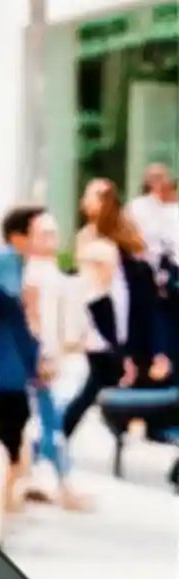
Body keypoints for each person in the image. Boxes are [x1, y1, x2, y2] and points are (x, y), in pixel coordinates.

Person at [63, 178, 172, 441]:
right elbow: (92, 290)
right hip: (102, 324)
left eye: (92, 196)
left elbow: (143, 296)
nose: (85, 202)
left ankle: (67, 432)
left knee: (105, 382)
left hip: (126, 321)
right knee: (99, 382)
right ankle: (62, 433)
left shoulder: (126, 241)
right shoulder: (87, 238)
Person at [21, 211, 92, 510]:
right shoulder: (33, 272)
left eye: (54, 233)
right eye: (44, 233)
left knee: (48, 422)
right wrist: (42, 354)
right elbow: (32, 316)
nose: (52, 239)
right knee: (49, 422)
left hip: (53, 354)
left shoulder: (48, 269)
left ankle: (45, 480)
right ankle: (60, 484)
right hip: (41, 358)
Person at [0, 207, 45, 515]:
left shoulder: (17, 263)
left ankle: (5, 500)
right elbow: (12, 303)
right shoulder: (7, 261)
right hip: (3, 367)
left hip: (10, 366)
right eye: (38, 232)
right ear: (19, 236)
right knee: (6, 435)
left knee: (12, 433)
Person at [127, 164, 179, 274]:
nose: (158, 182)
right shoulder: (136, 207)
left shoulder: (174, 208)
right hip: (145, 268)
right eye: (154, 178)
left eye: (161, 177)